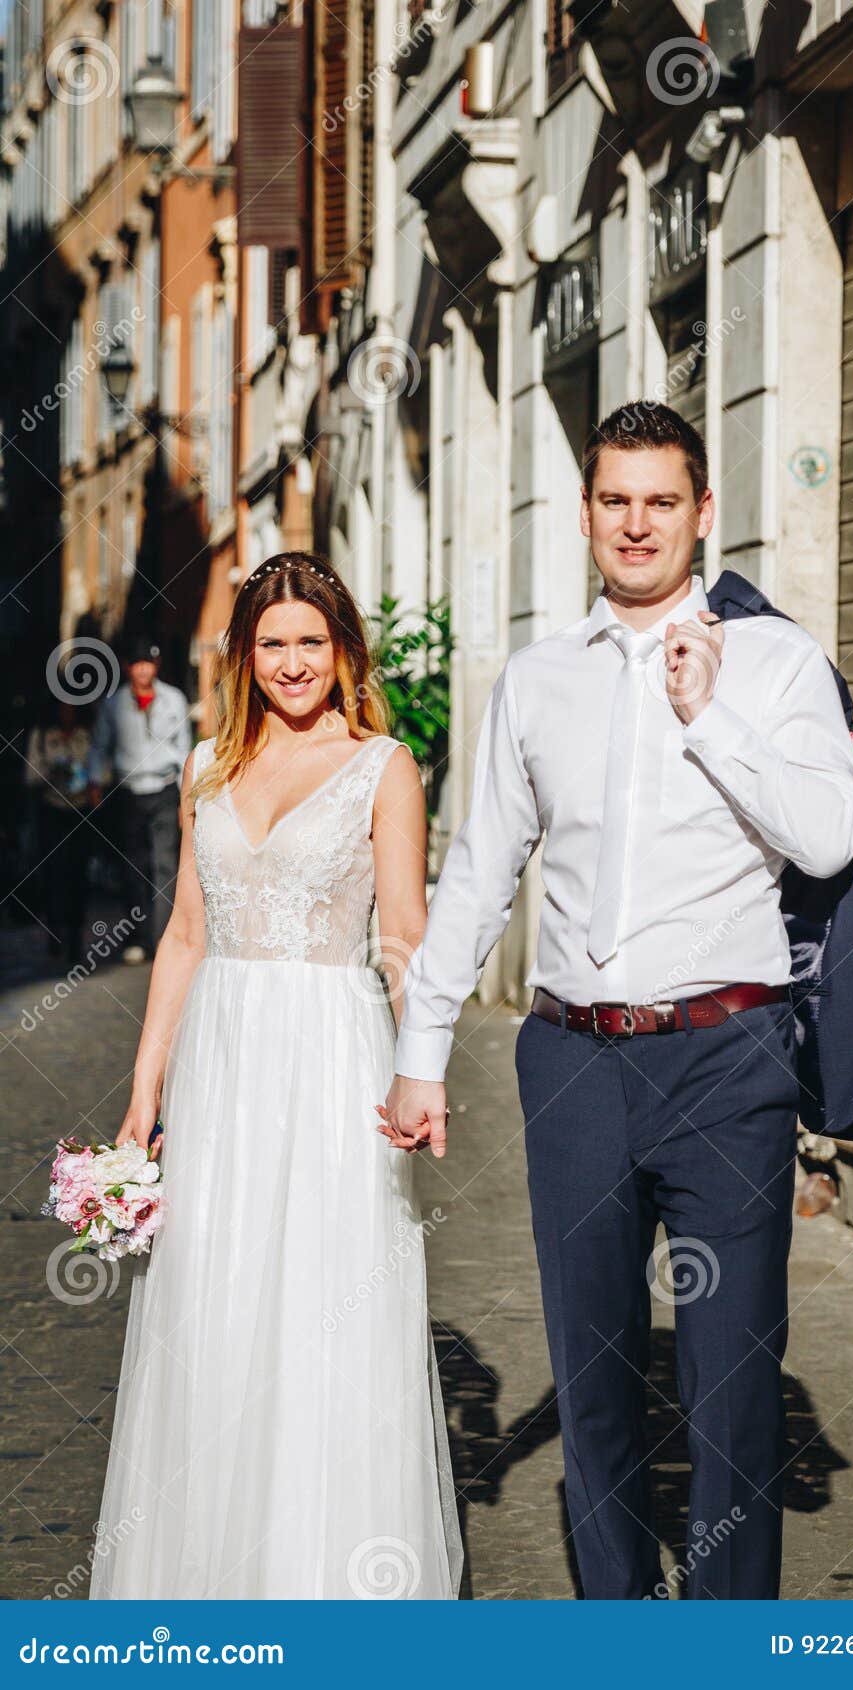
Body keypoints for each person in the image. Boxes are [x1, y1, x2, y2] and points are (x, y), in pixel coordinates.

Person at [379, 401, 853, 1600]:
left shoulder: (775, 664)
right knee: (594, 1386)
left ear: (702, 514)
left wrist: (713, 719)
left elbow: (829, 838)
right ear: (587, 514)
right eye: (614, 500)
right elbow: (478, 868)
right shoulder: (539, 681)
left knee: (731, 1391)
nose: (636, 523)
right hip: (573, 1065)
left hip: (725, 1059)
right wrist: (421, 1048)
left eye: (661, 500)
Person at [89, 553, 461, 1600]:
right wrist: (143, 1091)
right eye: (272, 643)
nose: (292, 662)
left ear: (341, 650)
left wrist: (415, 1068)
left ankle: (323, 1592)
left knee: (322, 1308)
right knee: (213, 1307)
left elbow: (403, 932)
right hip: (222, 1064)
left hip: (331, 1061)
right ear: (244, 656)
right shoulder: (208, 762)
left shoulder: (383, 766)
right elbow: (184, 934)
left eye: (310, 640)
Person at [86, 635, 191, 963]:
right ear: (128, 668)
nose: (143, 670)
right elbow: (101, 745)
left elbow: (186, 749)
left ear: (156, 666)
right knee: (133, 867)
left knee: (165, 865)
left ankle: (163, 938)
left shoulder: (173, 700)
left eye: (149, 663)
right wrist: (93, 780)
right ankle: (138, 937)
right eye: (137, 664)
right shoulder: (113, 703)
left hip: (165, 789)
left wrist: (187, 798)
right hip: (128, 793)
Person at [24, 699, 94, 964]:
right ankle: (55, 930)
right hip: (52, 809)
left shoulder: (87, 734)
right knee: (54, 874)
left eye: (72, 707)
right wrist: (53, 769)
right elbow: (29, 776)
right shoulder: (42, 736)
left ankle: (75, 937)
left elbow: (102, 770)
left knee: (78, 874)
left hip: (80, 811)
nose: (67, 712)